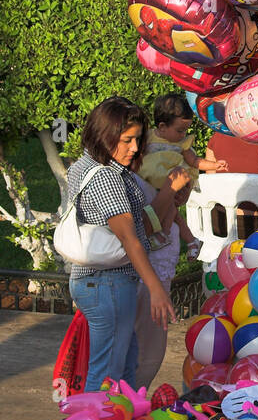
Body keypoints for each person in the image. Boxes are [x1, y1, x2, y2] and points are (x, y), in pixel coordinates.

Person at [65, 96, 188, 392]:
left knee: (125, 367)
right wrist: (156, 288)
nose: (134, 148)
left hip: (106, 283)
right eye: (127, 140)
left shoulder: (91, 166)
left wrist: (171, 198)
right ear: (104, 134)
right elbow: (130, 238)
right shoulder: (106, 177)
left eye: (137, 140)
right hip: (107, 284)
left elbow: (144, 225)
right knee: (108, 373)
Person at [132, 95, 207, 388]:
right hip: (148, 270)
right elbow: (149, 224)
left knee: (150, 342)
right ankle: (131, 395)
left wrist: (179, 192)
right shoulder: (138, 172)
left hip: (159, 264)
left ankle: (134, 394)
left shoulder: (169, 154)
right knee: (145, 342)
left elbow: (170, 204)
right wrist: (170, 191)